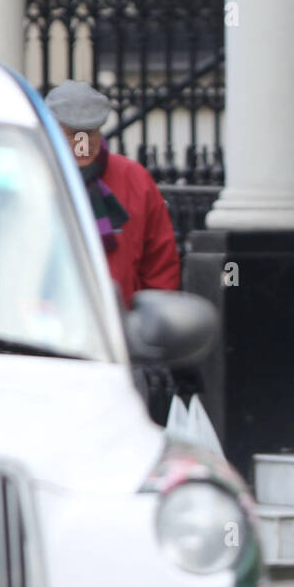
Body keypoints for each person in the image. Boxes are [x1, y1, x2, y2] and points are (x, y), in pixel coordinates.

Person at [45, 80, 185, 422]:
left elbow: (160, 271)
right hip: (42, 348)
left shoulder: (135, 180)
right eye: (71, 132)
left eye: (89, 131)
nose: (82, 142)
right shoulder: (29, 176)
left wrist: (150, 344)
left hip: (118, 351)